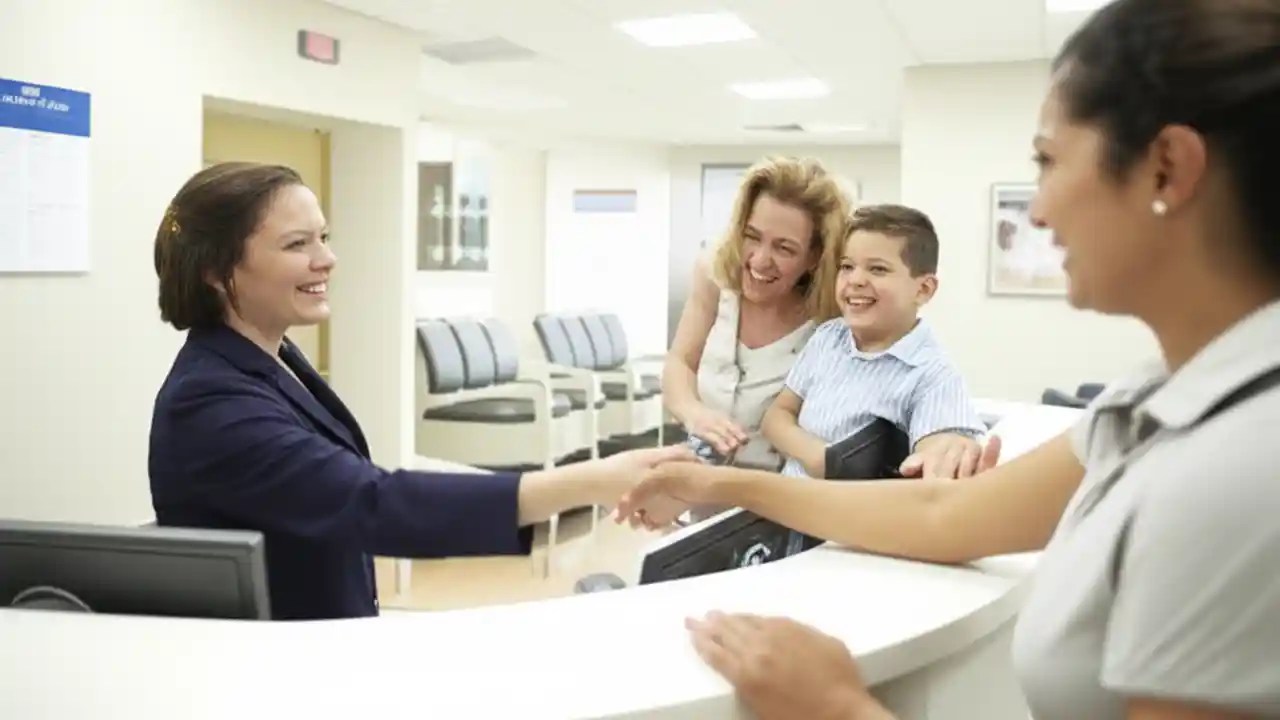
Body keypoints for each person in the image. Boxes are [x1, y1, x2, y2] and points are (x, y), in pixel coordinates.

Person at [622, 0, 1280, 717]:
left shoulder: (1244, 467)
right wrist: (721, 487)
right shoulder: (1155, 399)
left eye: (1049, 162)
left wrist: (836, 705)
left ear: (1166, 169)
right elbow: (945, 512)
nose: (1036, 213)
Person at [148, 161, 691, 621]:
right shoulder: (210, 403)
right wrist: (595, 480)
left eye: (324, 237)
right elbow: (371, 503)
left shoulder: (273, 358)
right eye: (297, 244)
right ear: (219, 273)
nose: (327, 259)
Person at [762, 204, 987, 481]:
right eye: (847, 266)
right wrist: (823, 460)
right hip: (784, 509)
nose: (855, 280)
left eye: (878, 269)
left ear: (923, 289)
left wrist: (946, 449)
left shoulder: (933, 377)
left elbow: (941, 450)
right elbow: (777, 415)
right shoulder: (827, 338)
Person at [664, 156, 848, 479]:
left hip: (781, 492)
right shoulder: (712, 277)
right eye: (752, 236)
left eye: (784, 248)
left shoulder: (831, 318)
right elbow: (680, 362)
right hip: (702, 476)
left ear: (814, 257)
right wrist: (696, 415)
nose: (760, 260)